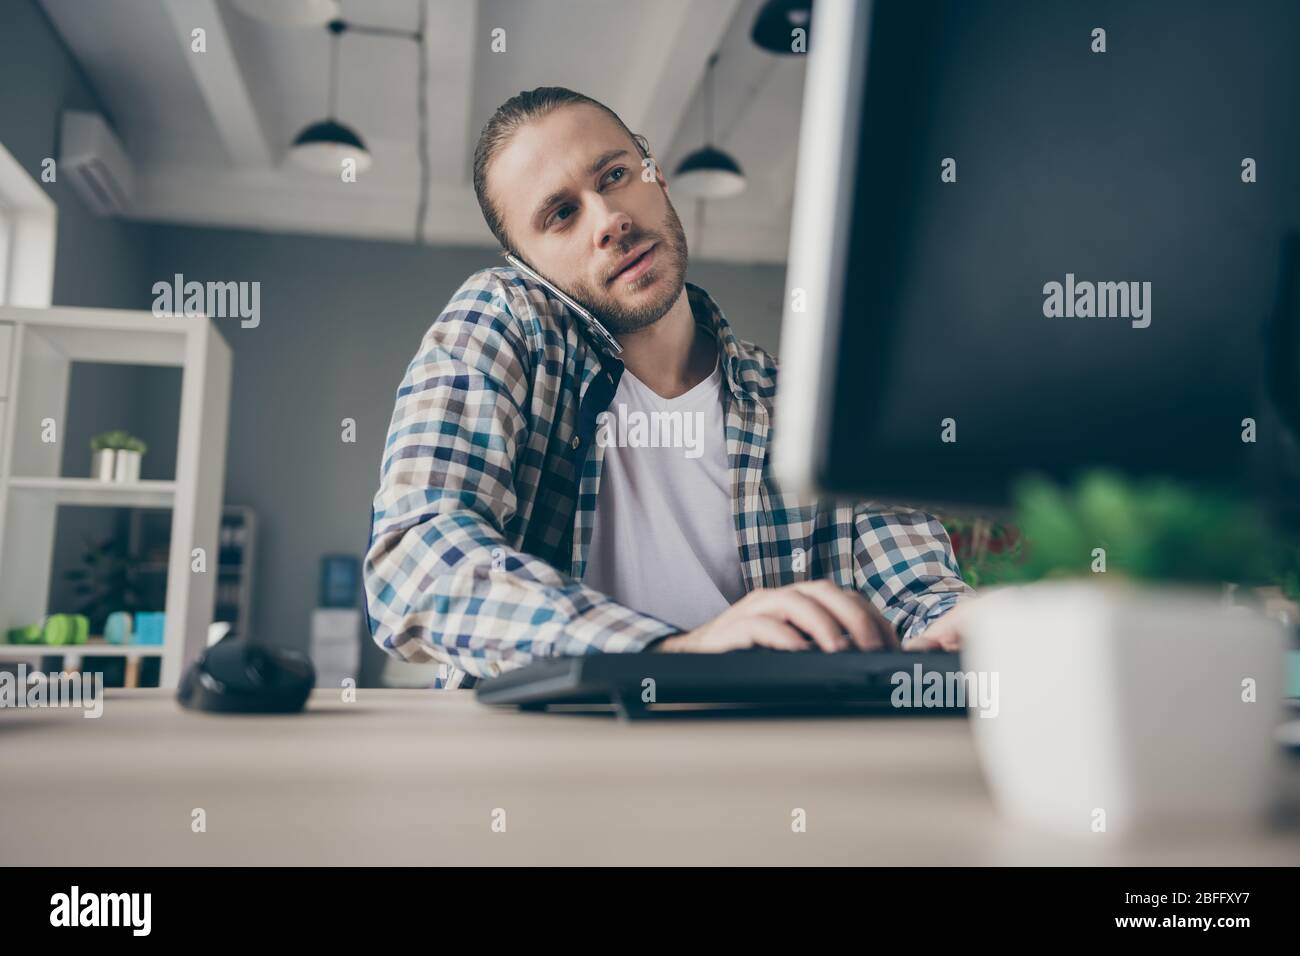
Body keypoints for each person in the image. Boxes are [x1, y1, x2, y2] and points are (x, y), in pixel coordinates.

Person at [365, 87, 974, 688]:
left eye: (615, 175)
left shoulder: (804, 407)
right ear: (523, 265)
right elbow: (413, 565)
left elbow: (918, 593)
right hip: (543, 766)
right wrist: (668, 653)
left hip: (770, 763)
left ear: (656, 175)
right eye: (561, 214)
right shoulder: (503, 321)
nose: (610, 220)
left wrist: (959, 628)